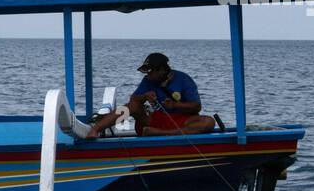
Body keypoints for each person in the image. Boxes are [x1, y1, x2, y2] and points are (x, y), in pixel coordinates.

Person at [85, 52, 216, 137]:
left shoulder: (184, 79)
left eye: (151, 71)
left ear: (163, 70)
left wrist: (176, 105)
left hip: (181, 121)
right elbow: (133, 101)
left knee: (209, 122)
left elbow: (196, 107)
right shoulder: (148, 80)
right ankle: (95, 129)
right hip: (154, 120)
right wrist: (144, 96)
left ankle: (161, 134)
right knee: (131, 106)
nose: (148, 75)